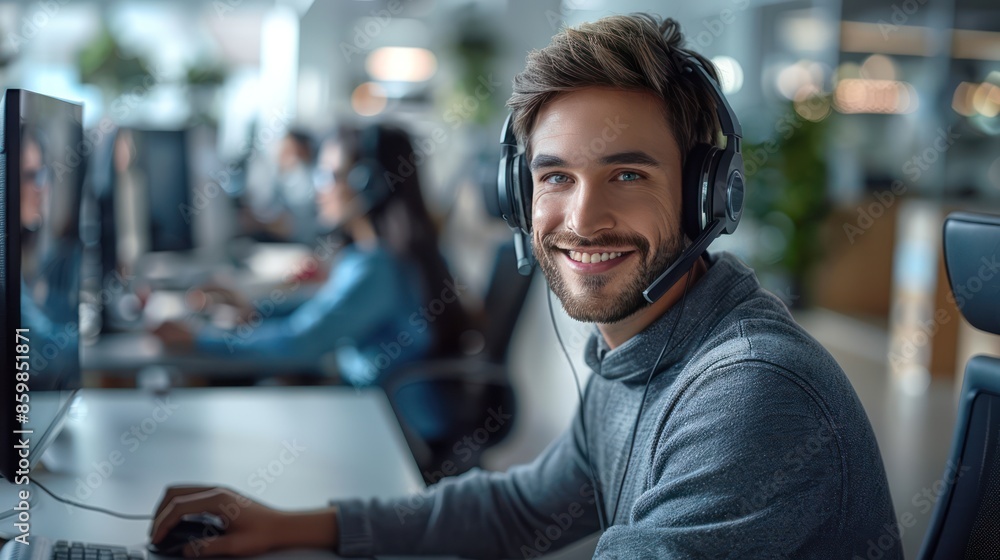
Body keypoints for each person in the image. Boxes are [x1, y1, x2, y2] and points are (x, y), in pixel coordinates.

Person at [150, 14, 902, 558]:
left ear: (705, 197)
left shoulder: (749, 392)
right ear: (519, 197)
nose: (583, 218)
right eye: (556, 177)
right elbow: (518, 510)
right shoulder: (637, 351)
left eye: (629, 175)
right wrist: (295, 524)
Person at [153, 123, 469, 388]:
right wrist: (252, 308)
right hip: (372, 407)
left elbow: (300, 344)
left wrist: (198, 339)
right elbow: (322, 310)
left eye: (328, 176)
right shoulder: (374, 255)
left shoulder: (378, 266)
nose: (318, 188)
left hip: (389, 426)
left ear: (368, 185)